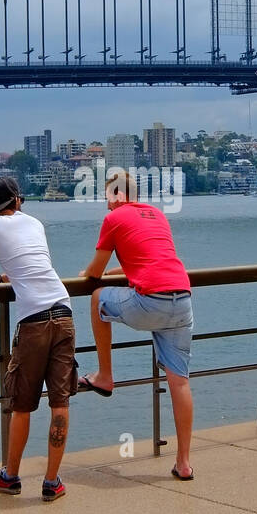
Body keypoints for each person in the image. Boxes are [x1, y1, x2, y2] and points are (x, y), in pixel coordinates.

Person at [80, 167, 195, 480]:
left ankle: (105, 375)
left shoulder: (114, 219)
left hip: (150, 302)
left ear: (118, 194)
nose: (106, 206)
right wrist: (121, 273)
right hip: (181, 299)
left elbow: (94, 273)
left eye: (107, 198)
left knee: (97, 298)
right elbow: (145, 261)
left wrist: (88, 275)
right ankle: (183, 463)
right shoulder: (156, 215)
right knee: (180, 382)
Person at [0, 177, 76, 502]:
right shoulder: (36, 223)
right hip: (63, 310)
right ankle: (51, 481)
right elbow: (33, 264)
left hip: (32, 320)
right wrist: (10, 275)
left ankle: (11, 476)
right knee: (59, 401)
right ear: (18, 201)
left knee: (22, 404)